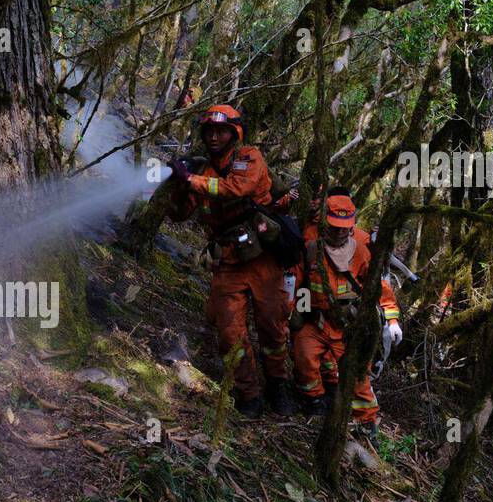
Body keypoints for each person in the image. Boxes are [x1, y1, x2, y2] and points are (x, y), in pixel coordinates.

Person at [166, 104, 294, 418]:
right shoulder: (202, 171)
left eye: (220, 131)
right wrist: (179, 184)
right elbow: (180, 214)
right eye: (208, 131)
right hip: (227, 262)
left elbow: (237, 188)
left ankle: (277, 385)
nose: (213, 137)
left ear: (234, 133)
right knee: (229, 332)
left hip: (263, 259)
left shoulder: (249, 158)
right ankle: (249, 393)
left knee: (273, 328)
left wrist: (193, 180)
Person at [292, 188, 401, 435]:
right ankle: (315, 401)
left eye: (344, 227)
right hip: (315, 321)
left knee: (357, 375)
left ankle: (367, 422)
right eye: (334, 226)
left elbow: (379, 286)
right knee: (304, 357)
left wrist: (392, 319)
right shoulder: (312, 248)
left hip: (346, 327)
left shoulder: (360, 251)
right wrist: (297, 313)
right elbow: (297, 281)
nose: (339, 232)